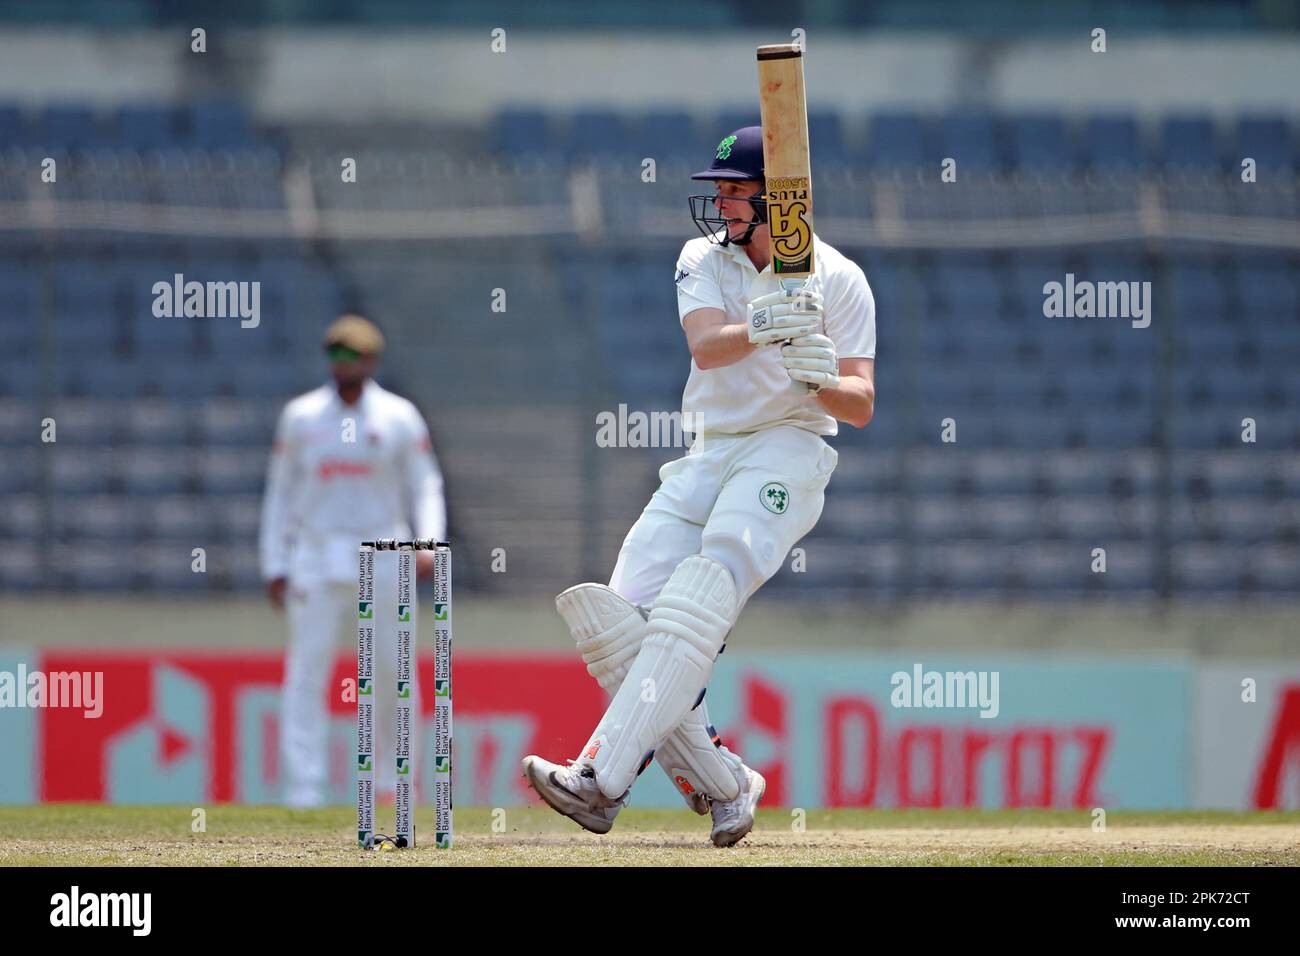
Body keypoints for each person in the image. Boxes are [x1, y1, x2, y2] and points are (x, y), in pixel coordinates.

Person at [523, 126, 876, 846]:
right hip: (708, 450)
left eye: (733, 190)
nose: (719, 202)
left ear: (777, 200)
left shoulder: (839, 279)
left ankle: (598, 780)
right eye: (717, 189)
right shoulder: (701, 259)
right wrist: (764, 325)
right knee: (619, 625)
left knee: (705, 586)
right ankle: (726, 786)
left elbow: (861, 403)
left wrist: (819, 377)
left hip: (788, 447)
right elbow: (706, 346)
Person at [260, 314, 447, 808]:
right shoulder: (301, 417)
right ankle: (304, 789)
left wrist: (428, 542)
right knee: (307, 672)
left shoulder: (399, 416)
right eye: (336, 354)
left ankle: (394, 781)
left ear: (371, 361)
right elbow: (281, 493)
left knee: (392, 671)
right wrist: (274, 563)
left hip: (385, 554)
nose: (344, 363)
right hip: (317, 556)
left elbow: (425, 483)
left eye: (354, 355)